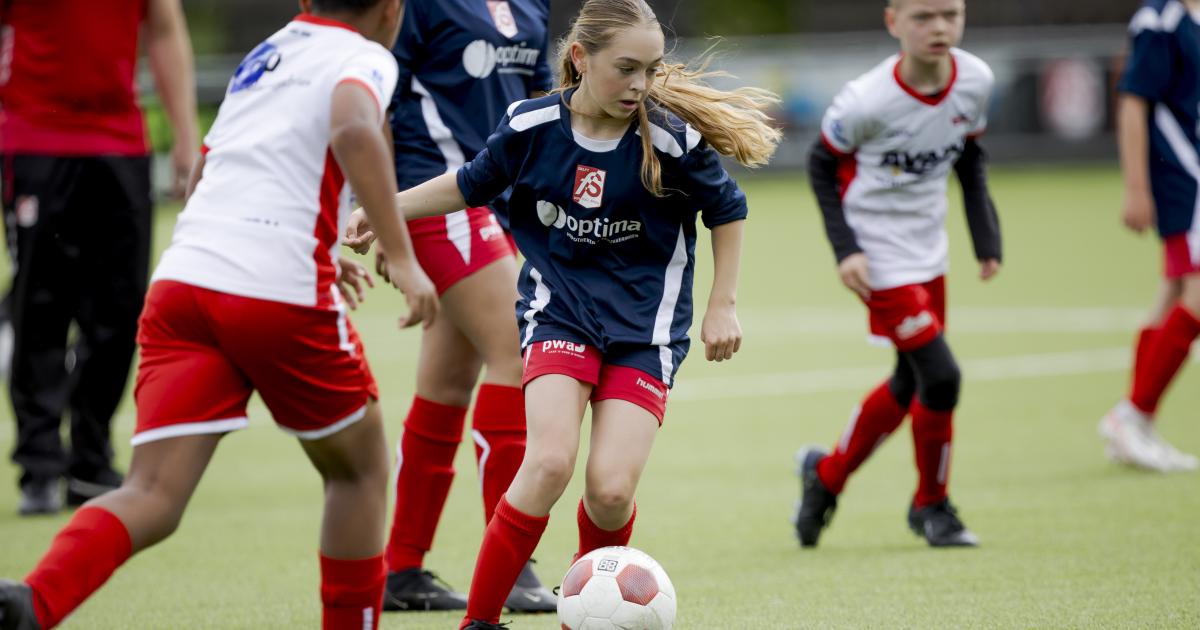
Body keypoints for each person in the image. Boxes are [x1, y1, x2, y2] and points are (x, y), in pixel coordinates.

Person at [0, 1, 440, 628]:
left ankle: (30, 602)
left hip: (186, 280)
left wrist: (305, 240)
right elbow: (352, 126)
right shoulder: (364, 57)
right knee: (362, 470)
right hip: (275, 291)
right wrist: (401, 253)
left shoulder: (270, 50)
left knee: (152, 493)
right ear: (393, 10)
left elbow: (213, 165)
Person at [349, 1, 778, 626]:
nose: (639, 85)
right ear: (581, 59)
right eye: (625, 68)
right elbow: (466, 184)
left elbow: (728, 210)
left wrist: (723, 305)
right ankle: (480, 620)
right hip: (560, 318)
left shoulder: (671, 139)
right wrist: (384, 209)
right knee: (548, 461)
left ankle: (589, 610)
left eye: (650, 70)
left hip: (644, 334)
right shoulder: (530, 126)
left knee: (609, 491)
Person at [367, 0, 556, 612]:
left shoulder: (533, 4)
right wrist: (390, 229)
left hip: (499, 205)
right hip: (439, 193)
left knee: (446, 386)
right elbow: (374, 107)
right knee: (519, 356)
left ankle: (399, 572)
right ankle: (513, 568)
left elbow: (538, 105)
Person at [793, 0, 1000, 549]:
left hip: (929, 251)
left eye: (950, 14)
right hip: (878, 257)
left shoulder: (976, 79)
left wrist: (986, 237)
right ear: (893, 23)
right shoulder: (867, 99)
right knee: (943, 376)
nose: (939, 28)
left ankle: (826, 475)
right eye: (923, 16)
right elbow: (819, 163)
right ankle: (931, 506)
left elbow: (969, 158)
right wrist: (847, 250)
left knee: (912, 382)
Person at [0, 0, 198, 516]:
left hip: (120, 143)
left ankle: (90, 459)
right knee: (40, 307)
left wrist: (184, 138)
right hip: (33, 138)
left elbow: (165, 28)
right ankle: (40, 463)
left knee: (120, 308)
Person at [1098, 0, 1200, 473]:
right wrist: (1137, 188)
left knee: (1176, 291)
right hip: (1185, 179)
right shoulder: (1159, 20)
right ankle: (1133, 415)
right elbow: (1134, 103)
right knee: (1195, 294)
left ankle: (1134, 423)